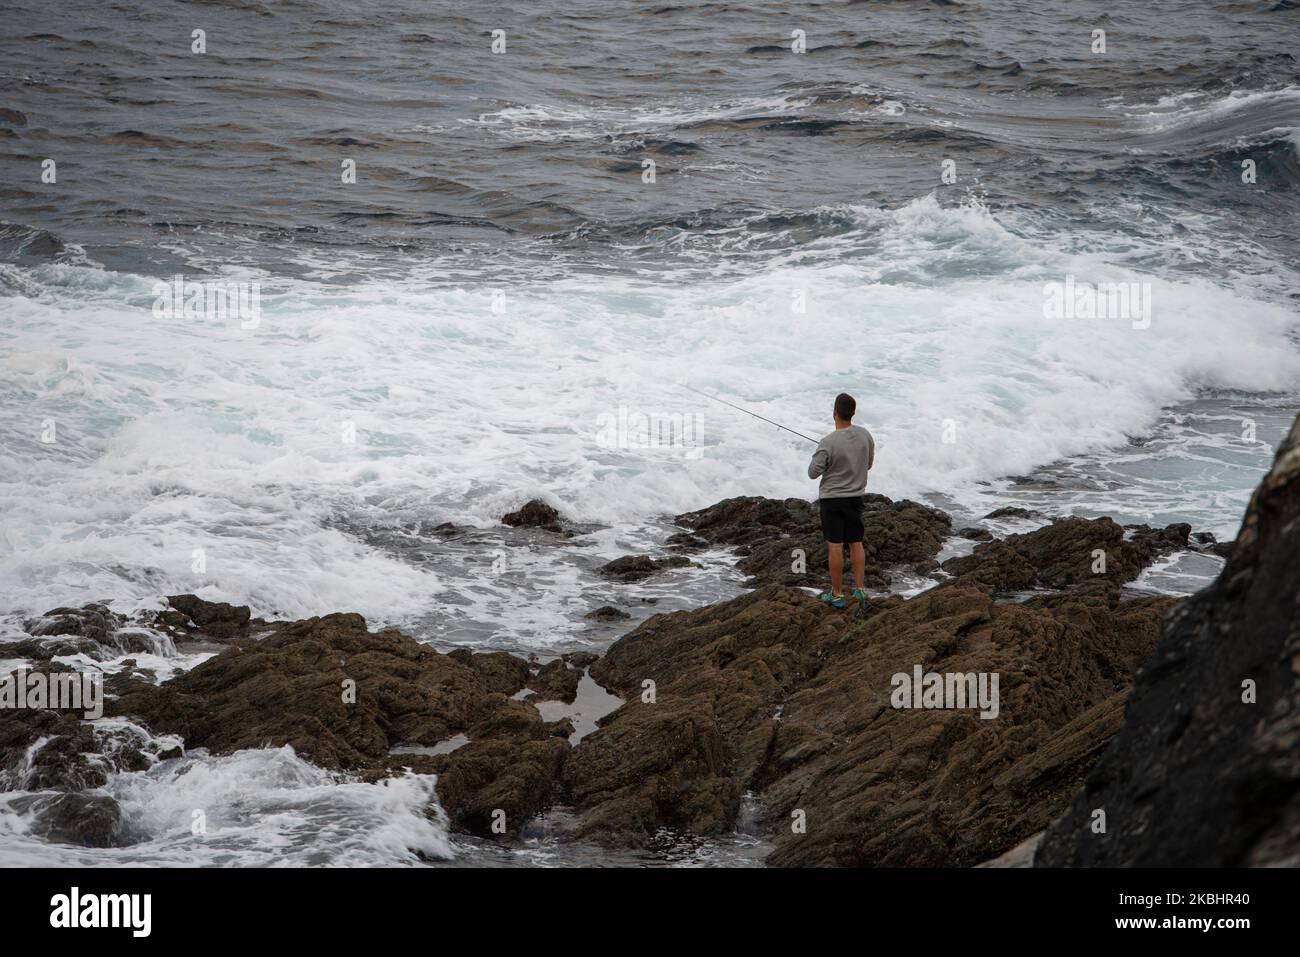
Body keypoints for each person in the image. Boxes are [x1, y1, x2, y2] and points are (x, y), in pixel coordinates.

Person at [807, 392, 875, 610]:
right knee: (856, 542)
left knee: (835, 546)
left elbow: (812, 472)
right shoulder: (865, 435)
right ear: (852, 413)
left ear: (835, 413)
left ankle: (837, 594)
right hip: (856, 498)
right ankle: (860, 590)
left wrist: (820, 456)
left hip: (832, 501)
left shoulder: (828, 442)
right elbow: (868, 463)